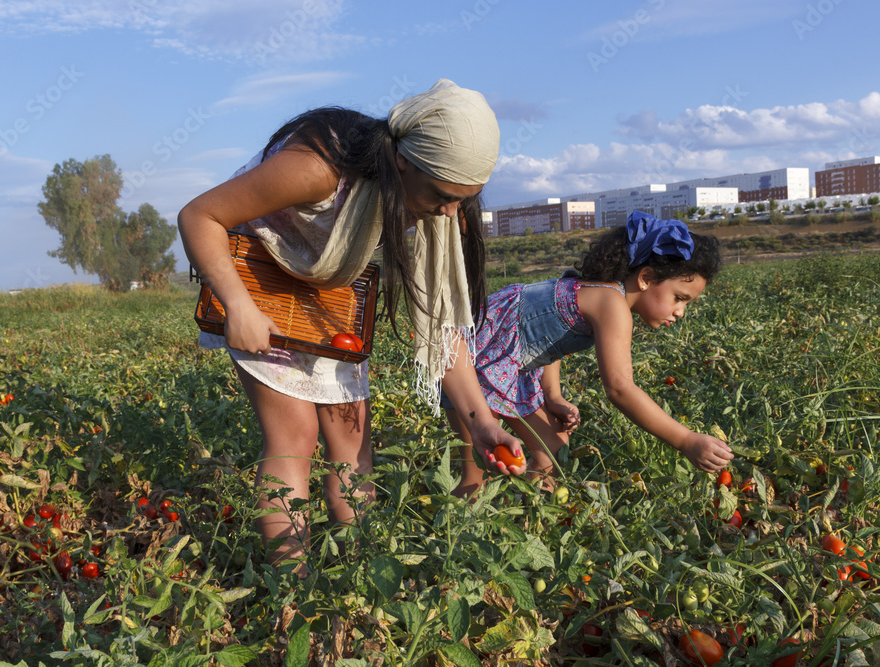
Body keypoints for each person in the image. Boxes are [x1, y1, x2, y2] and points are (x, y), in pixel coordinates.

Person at [177, 79, 525, 571]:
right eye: (445, 196)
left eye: (464, 199)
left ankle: (358, 576)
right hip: (257, 279)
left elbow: (442, 329)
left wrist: (483, 423)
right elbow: (199, 216)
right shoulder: (316, 170)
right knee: (294, 437)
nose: (450, 212)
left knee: (352, 438)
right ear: (403, 162)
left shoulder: (438, 208)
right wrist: (237, 305)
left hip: (329, 280)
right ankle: (291, 587)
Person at [445, 210, 734, 497]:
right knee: (476, 481)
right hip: (469, 366)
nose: (681, 311)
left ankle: (535, 520)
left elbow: (547, 342)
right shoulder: (612, 305)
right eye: (679, 298)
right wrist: (685, 440)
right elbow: (620, 389)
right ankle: (445, 537)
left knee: (553, 453)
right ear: (646, 277)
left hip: (501, 364)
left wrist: (553, 395)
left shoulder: (593, 290)